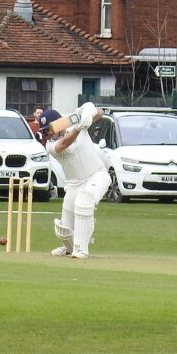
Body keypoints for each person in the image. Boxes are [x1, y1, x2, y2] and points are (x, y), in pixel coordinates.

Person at [37, 104, 110, 260]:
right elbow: (65, 144)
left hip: (97, 175)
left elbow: (100, 113)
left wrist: (88, 113)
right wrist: (79, 127)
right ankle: (69, 248)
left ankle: (81, 249)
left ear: (59, 124)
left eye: (47, 130)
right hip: (74, 184)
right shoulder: (50, 146)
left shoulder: (77, 124)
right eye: (43, 132)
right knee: (63, 229)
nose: (46, 135)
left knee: (85, 201)